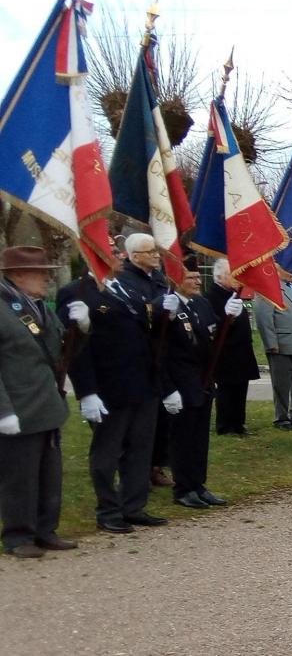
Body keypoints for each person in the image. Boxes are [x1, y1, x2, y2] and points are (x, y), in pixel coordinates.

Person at [58, 255, 168, 534]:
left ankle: (133, 506)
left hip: (143, 382)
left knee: (140, 450)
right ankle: (107, 510)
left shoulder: (125, 287)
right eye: (110, 249)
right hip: (108, 387)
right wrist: (86, 392)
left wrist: (163, 310)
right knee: (107, 452)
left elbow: (145, 329)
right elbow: (73, 348)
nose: (119, 255)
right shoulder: (76, 292)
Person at [0, 246, 88, 558]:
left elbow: (59, 353)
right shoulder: (3, 308)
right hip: (18, 406)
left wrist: (81, 328)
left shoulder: (37, 306)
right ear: (18, 275)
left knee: (49, 474)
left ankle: (45, 529)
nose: (46, 279)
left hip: (46, 404)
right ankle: (17, 536)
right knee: (19, 477)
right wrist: (3, 411)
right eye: (40, 272)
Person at [157, 256, 231, 509]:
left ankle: (199, 484)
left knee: (200, 439)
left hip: (203, 380)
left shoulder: (200, 303)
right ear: (176, 280)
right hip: (180, 382)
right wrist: (168, 389)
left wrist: (227, 319)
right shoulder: (166, 307)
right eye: (191, 277)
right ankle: (183, 487)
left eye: (199, 276)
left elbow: (212, 337)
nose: (198, 281)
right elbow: (160, 350)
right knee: (182, 439)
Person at [116, 233, 172, 488]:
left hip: (163, 353)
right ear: (135, 256)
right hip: (139, 354)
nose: (156, 255)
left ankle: (156, 465)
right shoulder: (125, 280)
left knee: (160, 418)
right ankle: (133, 469)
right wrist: (161, 306)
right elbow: (140, 310)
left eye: (156, 251)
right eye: (150, 252)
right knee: (135, 422)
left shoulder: (159, 278)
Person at [206, 258, 259, 436]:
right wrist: (228, 316)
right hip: (226, 352)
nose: (237, 278)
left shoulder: (234, 294)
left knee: (240, 388)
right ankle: (225, 425)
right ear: (220, 276)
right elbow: (214, 323)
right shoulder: (212, 296)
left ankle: (238, 423)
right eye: (232, 274)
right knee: (226, 390)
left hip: (241, 350)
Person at [256, 272, 292, 429]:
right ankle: (281, 417)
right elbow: (263, 317)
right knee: (281, 384)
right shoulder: (269, 286)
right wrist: (270, 342)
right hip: (281, 344)